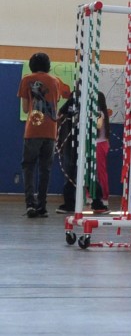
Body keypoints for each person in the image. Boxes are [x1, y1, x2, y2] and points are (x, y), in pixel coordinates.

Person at [17, 52, 69, 218]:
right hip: (50, 131)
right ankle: (42, 207)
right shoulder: (56, 81)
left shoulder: (27, 79)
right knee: (45, 169)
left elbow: (25, 109)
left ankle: (30, 205)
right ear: (48, 65)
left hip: (33, 130)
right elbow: (57, 101)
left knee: (29, 167)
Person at [92, 92, 111, 214]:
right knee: (94, 172)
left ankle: (104, 196)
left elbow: (97, 126)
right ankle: (95, 195)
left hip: (99, 144)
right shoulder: (100, 113)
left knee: (100, 172)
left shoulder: (99, 113)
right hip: (100, 143)